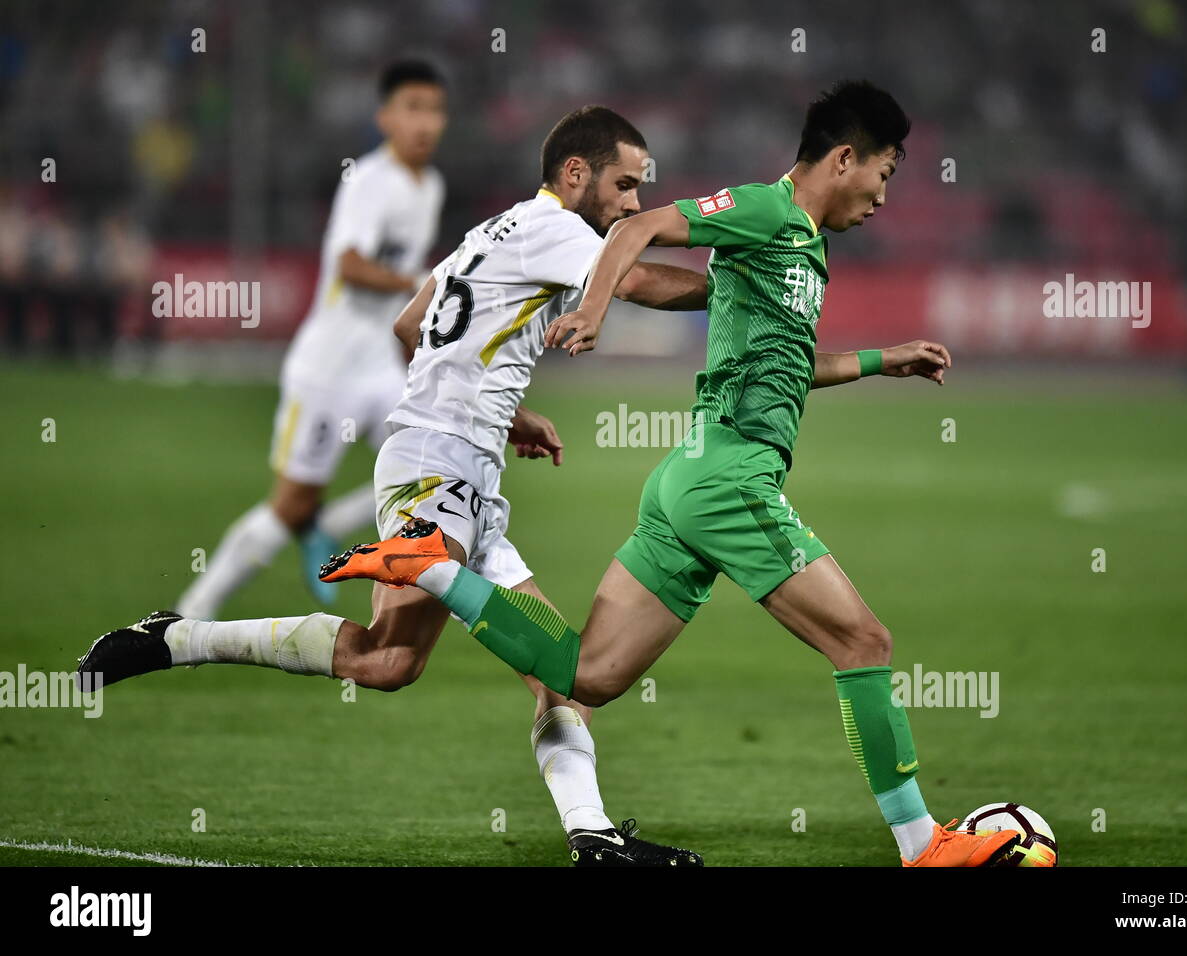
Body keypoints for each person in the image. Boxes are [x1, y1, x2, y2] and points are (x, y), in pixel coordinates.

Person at [317, 80, 1020, 868]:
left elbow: (782, 365)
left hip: (687, 485)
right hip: (729, 482)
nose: (884, 196)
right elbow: (643, 229)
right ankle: (924, 847)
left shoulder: (802, 249)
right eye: (885, 173)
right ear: (846, 158)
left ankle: (435, 571)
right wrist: (596, 305)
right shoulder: (768, 210)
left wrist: (879, 361)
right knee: (864, 641)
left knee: (587, 675)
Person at [79, 105, 709, 867]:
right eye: (625, 184)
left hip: (457, 465)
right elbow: (635, 278)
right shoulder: (564, 231)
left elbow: (411, 325)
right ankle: (186, 635)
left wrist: (501, 409)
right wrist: (740, 291)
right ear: (575, 175)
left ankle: (594, 839)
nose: (633, 205)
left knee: (503, 668)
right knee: (421, 660)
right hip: (436, 468)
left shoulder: (491, 231)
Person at [177, 60, 449, 618]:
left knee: (439, 469)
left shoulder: (431, 186)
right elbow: (349, 266)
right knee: (289, 504)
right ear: (385, 118)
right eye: (413, 108)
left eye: (436, 110)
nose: (426, 122)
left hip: (378, 366)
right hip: (326, 370)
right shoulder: (370, 181)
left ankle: (325, 528)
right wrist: (418, 281)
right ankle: (187, 616)